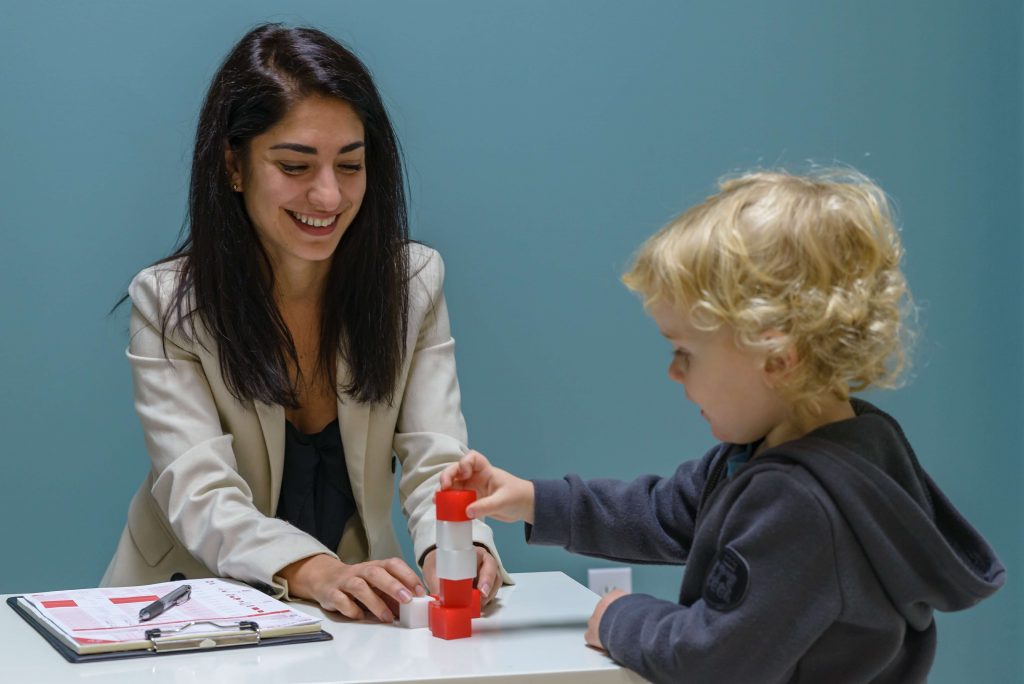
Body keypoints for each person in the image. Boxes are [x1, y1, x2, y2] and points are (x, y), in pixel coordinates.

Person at [440, 170, 1005, 683]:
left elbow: (714, 659)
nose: (672, 371)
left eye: (685, 352)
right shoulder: (825, 446)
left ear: (777, 357)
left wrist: (620, 617)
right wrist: (534, 500)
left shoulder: (801, 503)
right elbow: (668, 512)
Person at [101, 24, 509, 624]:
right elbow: (199, 492)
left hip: (346, 607)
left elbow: (435, 458)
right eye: (295, 165)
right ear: (233, 166)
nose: (328, 196)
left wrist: (460, 547)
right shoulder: (167, 304)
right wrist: (315, 571)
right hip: (183, 603)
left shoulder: (412, 284)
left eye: (351, 165)